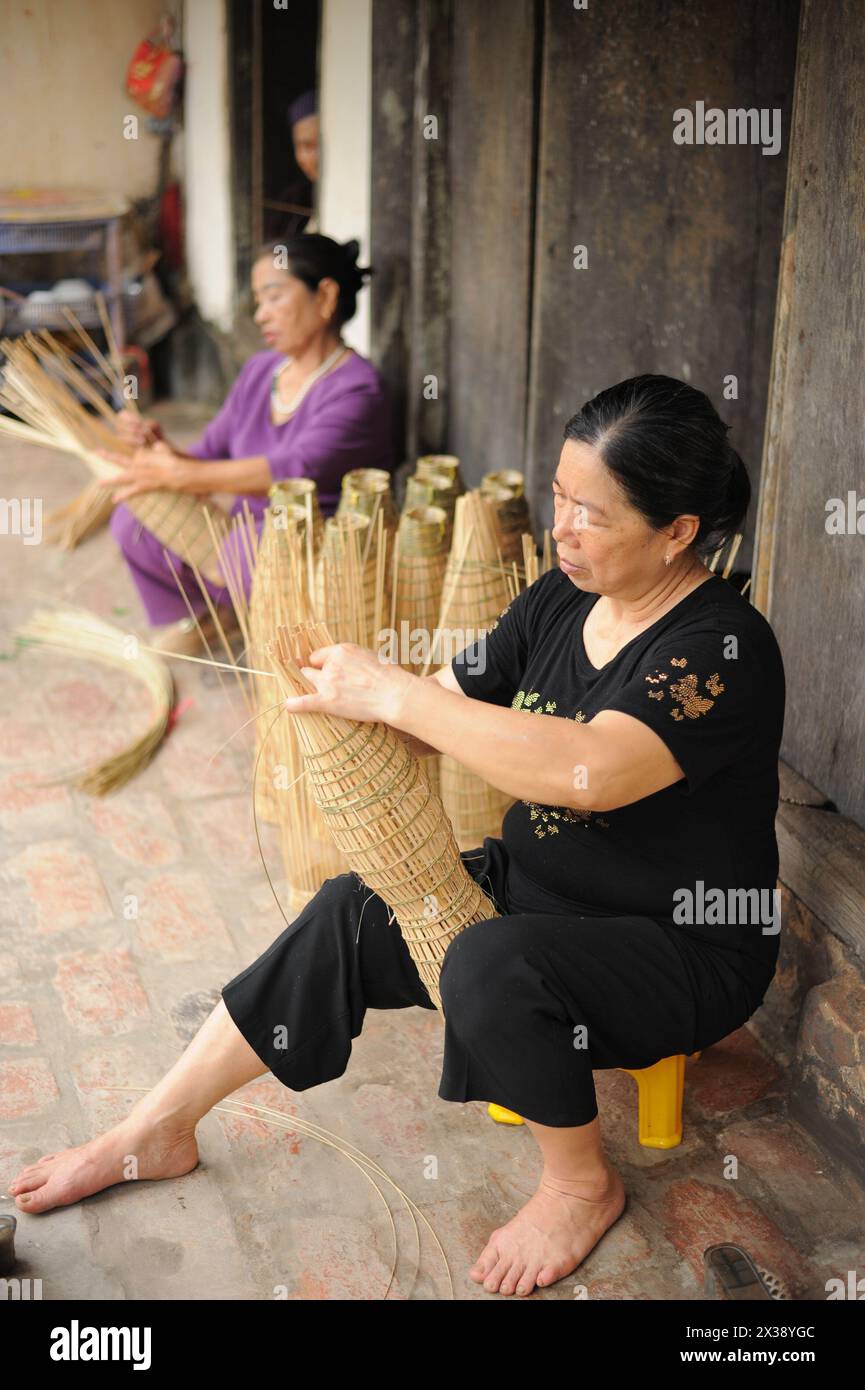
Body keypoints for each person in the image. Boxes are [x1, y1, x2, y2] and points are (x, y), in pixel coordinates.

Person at [9, 375, 785, 1300]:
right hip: (537, 892)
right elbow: (442, 713)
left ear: (677, 532)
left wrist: (399, 695)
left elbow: (594, 770)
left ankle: (580, 1184)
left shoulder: (719, 648)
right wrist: (348, 698)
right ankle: (155, 1129)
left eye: (595, 515)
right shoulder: (557, 601)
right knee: (349, 906)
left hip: (678, 943)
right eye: (560, 498)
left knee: (488, 963)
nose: (564, 528)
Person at [104, 234, 393, 654]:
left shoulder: (359, 390)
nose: (261, 316)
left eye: (274, 297)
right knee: (135, 521)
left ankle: (285, 638)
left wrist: (182, 473)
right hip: (242, 541)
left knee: (248, 550)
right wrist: (160, 448)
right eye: (258, 301)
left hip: (319, 550)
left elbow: (296, 469)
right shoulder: (261, 371)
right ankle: (219, 612)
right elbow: (207, 456)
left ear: (326, 296)